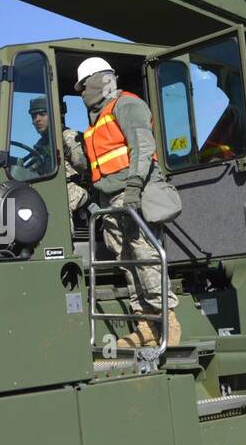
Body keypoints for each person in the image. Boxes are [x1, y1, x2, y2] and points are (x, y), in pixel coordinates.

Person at [74, 57, 181, 349]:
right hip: (110, 199)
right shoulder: (97, 120)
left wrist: (134, 186)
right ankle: (145, 326)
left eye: (84, 85)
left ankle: (168, 325)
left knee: (145, 256)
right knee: (126, 260)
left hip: (133, 191)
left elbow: (143, 146)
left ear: (99, 80)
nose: (82, 93)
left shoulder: (127, 105)